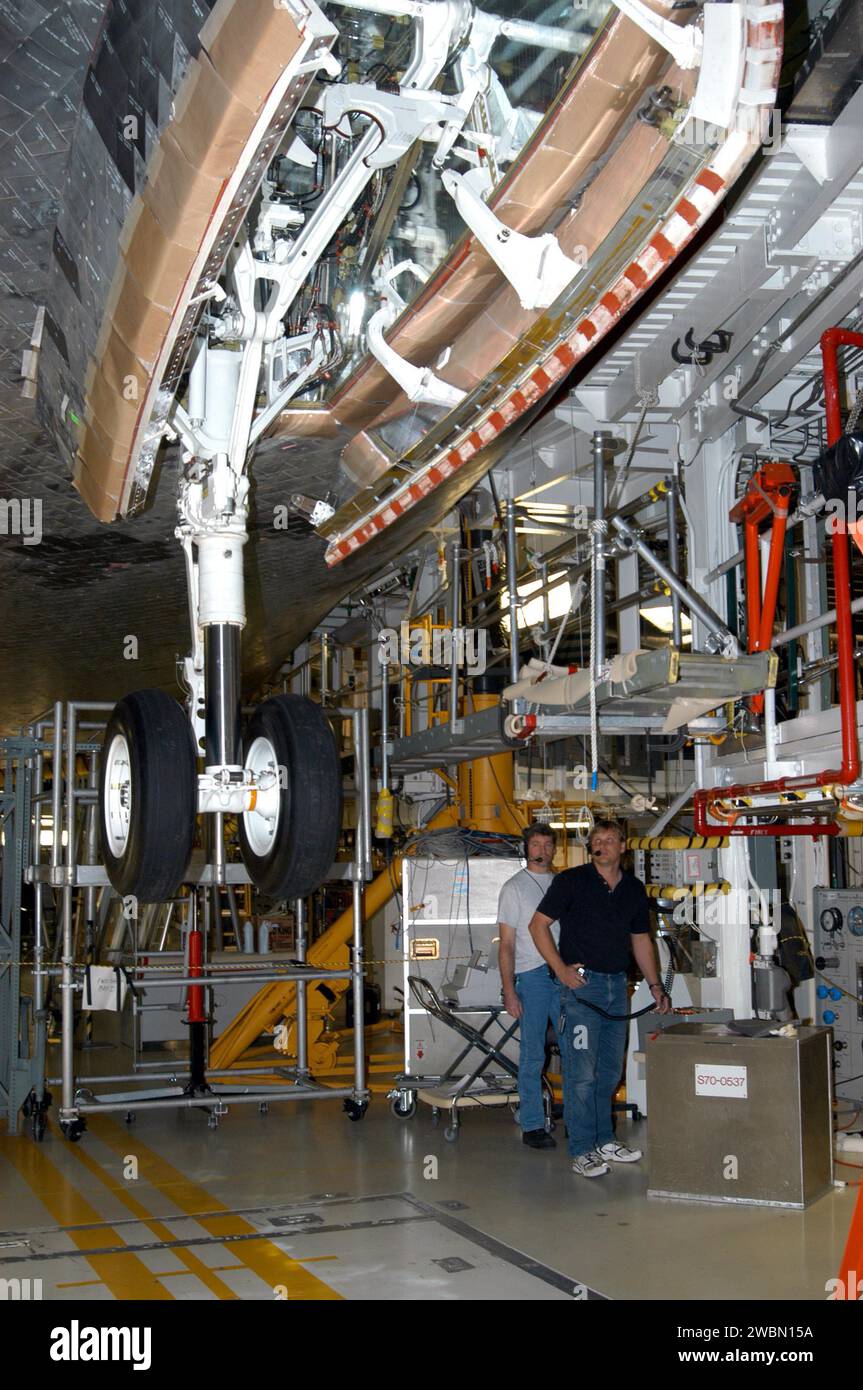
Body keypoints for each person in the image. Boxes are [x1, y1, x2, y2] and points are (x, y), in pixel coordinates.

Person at [527, 819, 670, 1178]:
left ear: (623, 846)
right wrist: (560, 970)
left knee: (608, 1071)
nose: (602, 844)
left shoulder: (634, 890)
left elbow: (641, 940)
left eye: (609, 839)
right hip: (581, 990)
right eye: (596, 840)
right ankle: (582, 1148)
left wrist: (655, 986)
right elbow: (537, 925)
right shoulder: (571, 881)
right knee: (581, 1074)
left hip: (616, 988)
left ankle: (605, 1139)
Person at [497, 823, 560, 1150]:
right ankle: (533, 1124)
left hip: (563, 975)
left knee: (575, 1050)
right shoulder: (515, 888)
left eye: (548, 845)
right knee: (533, 1053)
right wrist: (509, 990)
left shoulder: (562, 884)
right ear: (527, 849)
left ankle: (578, 1117)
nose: (543, 851)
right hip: (532, 976)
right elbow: (506, 944)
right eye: (537, 844)